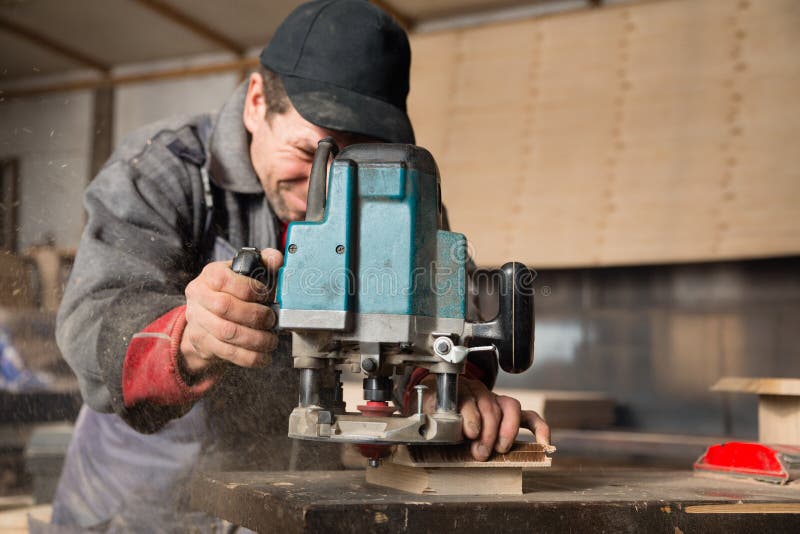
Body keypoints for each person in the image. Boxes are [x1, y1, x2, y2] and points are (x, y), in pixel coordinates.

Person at [49, 1, 549, 531]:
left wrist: (450, 386)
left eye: (358, 161)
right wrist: (191, 338)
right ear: (256, 103)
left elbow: (444, 314)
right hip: (138, 512)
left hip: (289, 503)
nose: (332, 188)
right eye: (311, 155)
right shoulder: (165, 168)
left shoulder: (394, 191)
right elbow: (90, 321)